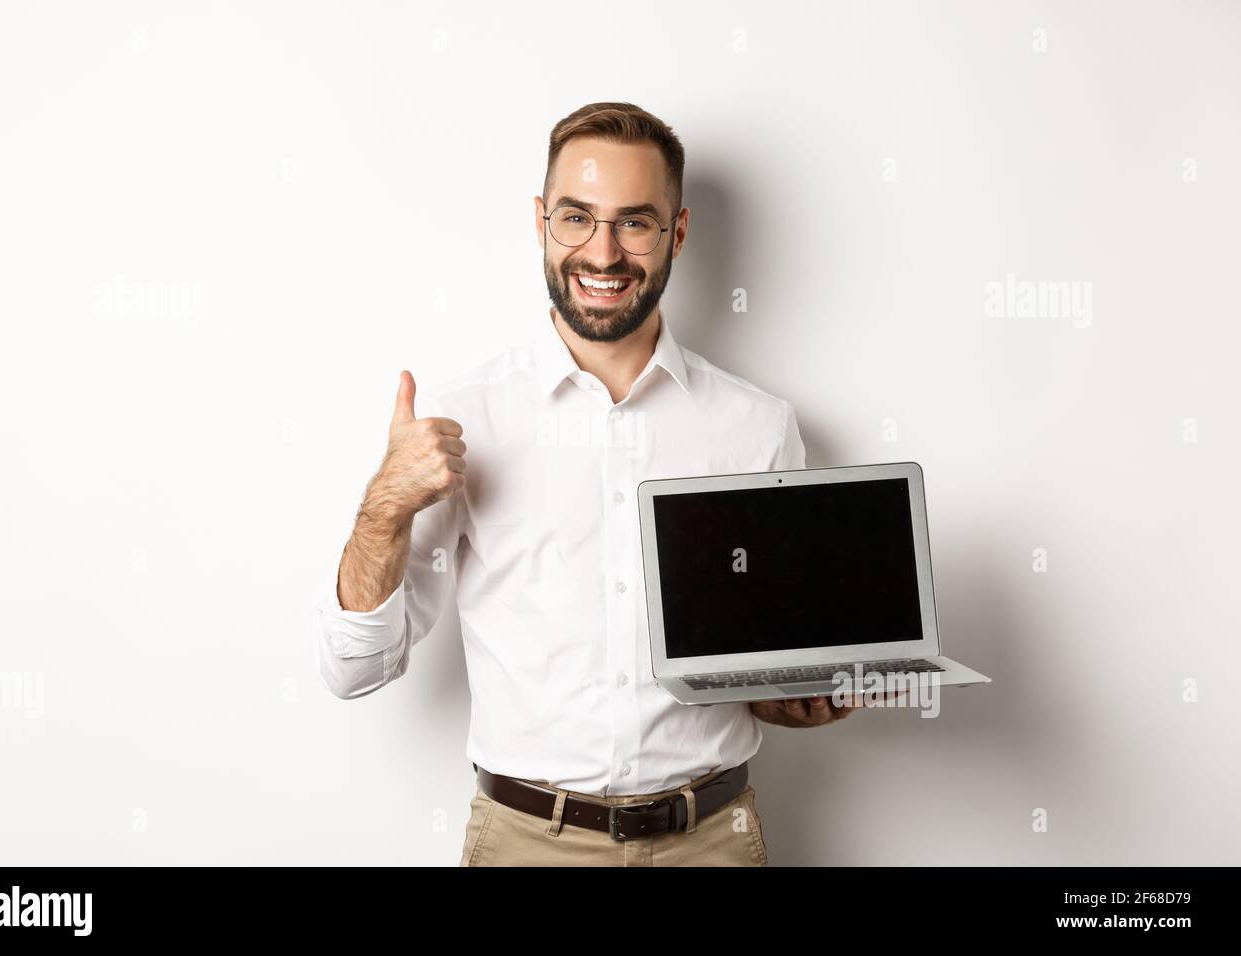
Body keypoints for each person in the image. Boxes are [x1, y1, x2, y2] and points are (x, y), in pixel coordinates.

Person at [314, 102, 866, 867]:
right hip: (525, 844)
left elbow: (767, 658)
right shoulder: (461, 419)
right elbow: (352, 670)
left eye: (635, 223)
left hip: (711, 841)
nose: (602, 253)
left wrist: (793, 696)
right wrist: (383, 510)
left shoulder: (758, 427)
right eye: (577, 217)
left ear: (676, 233)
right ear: (543, 221)